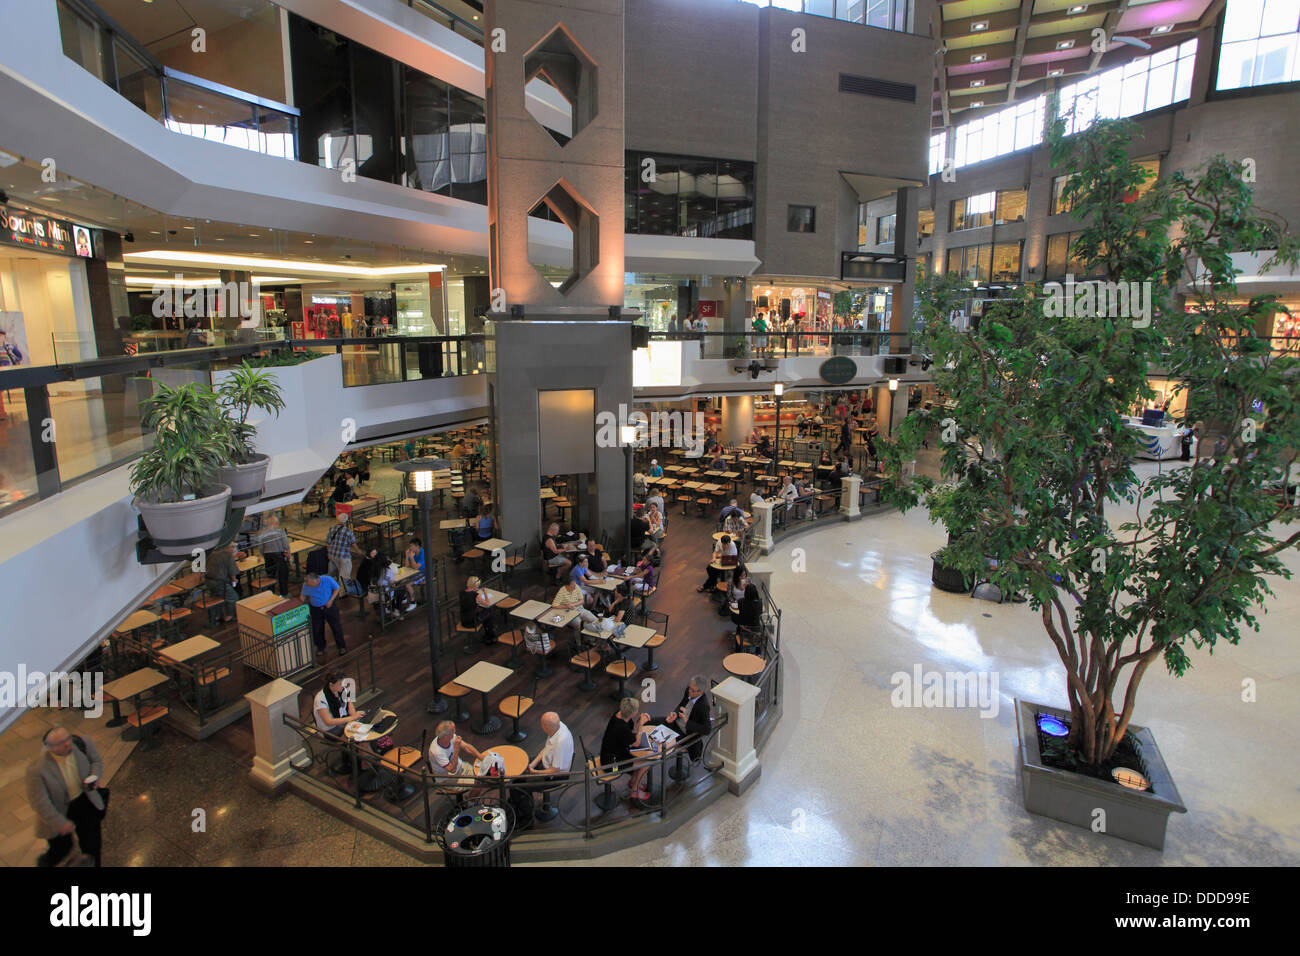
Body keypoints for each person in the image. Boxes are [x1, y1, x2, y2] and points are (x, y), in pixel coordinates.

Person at [28, 727, 106, 867]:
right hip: (59, 809)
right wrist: (60, 823)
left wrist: (95, 776)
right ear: (49, 748)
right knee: (60, 850)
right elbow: (39, 802)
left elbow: (96, 762)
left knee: (92, 845)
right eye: (61, 743)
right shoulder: (37, 769)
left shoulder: (83, 743)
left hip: (85, 800)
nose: (67, 744)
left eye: (68, 739)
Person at [600, 697, 651, 800]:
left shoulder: (619, 715)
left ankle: (633, 782)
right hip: (611, 764)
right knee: (645, 763)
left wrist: (639, 720)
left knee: (640, 759)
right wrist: (641, 724)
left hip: (616, 754)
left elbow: (630, 731)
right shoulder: (620, 727)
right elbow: (636, 743)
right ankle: (634, 791)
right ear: (632, 713)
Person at [652, 675, 712, 763]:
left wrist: (687, 721)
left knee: (660, 743)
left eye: (692, 690)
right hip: (676, 723)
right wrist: (675, 714)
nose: (689, 691)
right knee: (651, 722)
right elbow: (682, 704)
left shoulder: (703, 706)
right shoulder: (689, 690)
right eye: (689, 688)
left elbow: (707, 730)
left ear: (701, 692)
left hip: (686, 734)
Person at [302, 571, 347, 658]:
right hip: (315, 609)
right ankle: (320, 647)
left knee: (336, 627)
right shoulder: (306, 584)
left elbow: (337, 588)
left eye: (311, 585)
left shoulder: (327, 579)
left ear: (317, 581)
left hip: (329, 607)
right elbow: (302, 597)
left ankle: (341, 647)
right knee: (317, 629)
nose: (309, 587)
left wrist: (331, 600)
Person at [428, 721, 484, 789]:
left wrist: (480, 756)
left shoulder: (450, 737)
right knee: (478, 785)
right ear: (446, 736)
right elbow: (452, 770)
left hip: (461, 767)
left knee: (481, 777)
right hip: (447, 779)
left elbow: (466, 746)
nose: (455, 732)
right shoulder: (437, 752)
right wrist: (456, 749)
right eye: (453, 731)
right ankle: (471, 799)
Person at [204, 541, 244, 623]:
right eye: (232, 547)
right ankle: (229, 616)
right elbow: (232, 571)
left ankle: (217, 616)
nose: (233, 549)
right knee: (233, 598)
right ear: (226, 547)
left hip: (209, 581)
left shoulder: (212, 553)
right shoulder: (227, 555)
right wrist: (234, 579)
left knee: (217, 597)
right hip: (220, 581)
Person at [529, 712, 574, 776]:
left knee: (521, 780)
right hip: (546, 761)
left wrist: (535, 772)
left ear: (546, 728)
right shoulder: (558, 725)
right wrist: (533, 764)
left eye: (542, 724)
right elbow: (547, 748)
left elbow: (554, 770)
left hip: (553, 775)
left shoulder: (560, 744)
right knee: (523, 763)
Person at [313, 672, 357, 736]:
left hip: (344, 720)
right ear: (331, 685)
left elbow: (349, 704)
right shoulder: (320, 699)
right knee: (355, 735)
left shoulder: (342, 690)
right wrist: (352, 718)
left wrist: (354, 718)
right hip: (330, 729)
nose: (343, 685)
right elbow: (329, 722)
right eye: (340, 684)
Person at [258, 514, 291, 597]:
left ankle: (271, 594)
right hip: (278, 556)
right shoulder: (280, 532)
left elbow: (261, 548)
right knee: (282, 576)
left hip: (268, 557)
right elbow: (286, 545)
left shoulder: (263, 533)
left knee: (270, 577)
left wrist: (262, 555)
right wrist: (289, 555)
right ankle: (284, 594)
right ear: (276, 523)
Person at [460, 576, 499, 642]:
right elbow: (487, 603)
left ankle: (489, 632)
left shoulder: (461, 593)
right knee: (489, 612)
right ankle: (490, 635)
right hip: (472, 621)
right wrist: (485, 593)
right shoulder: (475, 595)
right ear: (475, 586)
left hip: (464, 619)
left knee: (485, 613)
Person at [326, 513, 360, 583]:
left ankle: (331, 588)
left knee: (332, 574)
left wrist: (329, 554)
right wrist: (358, 551)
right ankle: (342, 592)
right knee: (344, 577)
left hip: (332, 554)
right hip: (343, 556)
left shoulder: (332, 528)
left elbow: (328, 543)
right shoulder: (348, 531)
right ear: (346, 522)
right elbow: (353, 543)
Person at [730, 582, 763, 647]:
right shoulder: (760, 602)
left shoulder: (741, 601)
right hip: (755, 628)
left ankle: (737, 644)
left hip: (744, 627)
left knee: (734, 616)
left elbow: (739, 610)